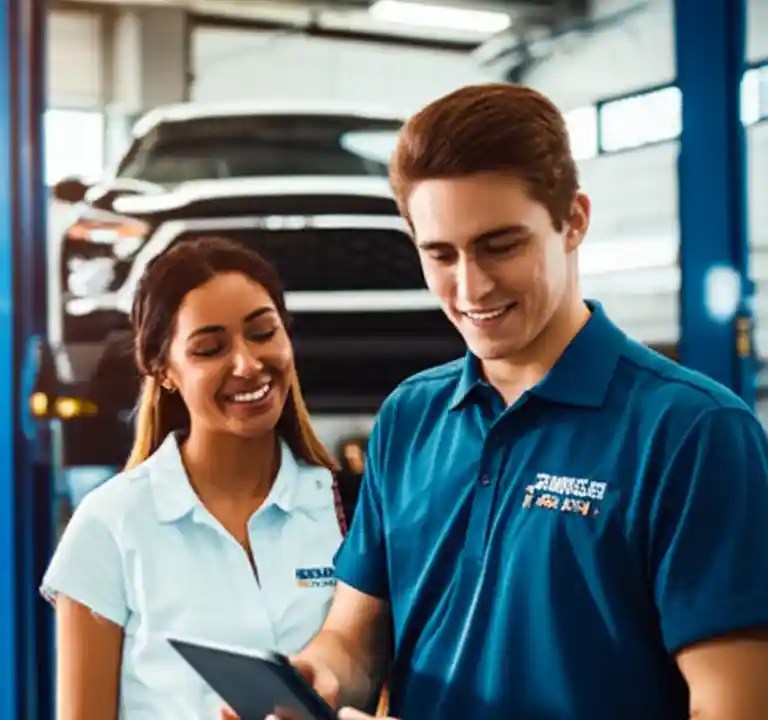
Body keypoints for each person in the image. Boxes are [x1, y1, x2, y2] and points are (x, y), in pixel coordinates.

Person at [260, 83, 768, 719]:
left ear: (574, 219)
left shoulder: (693, 433)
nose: (470, 286)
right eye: (440, 254)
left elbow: (735, 706)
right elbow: (356, 644)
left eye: (500, 245)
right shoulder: (410, 419)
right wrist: (316, 681)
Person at [40, 236, 356, 719]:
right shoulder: (111, 524)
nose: (247, 364)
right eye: (209, 349)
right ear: (163, 369)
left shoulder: (347, 509)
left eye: (263, 332)